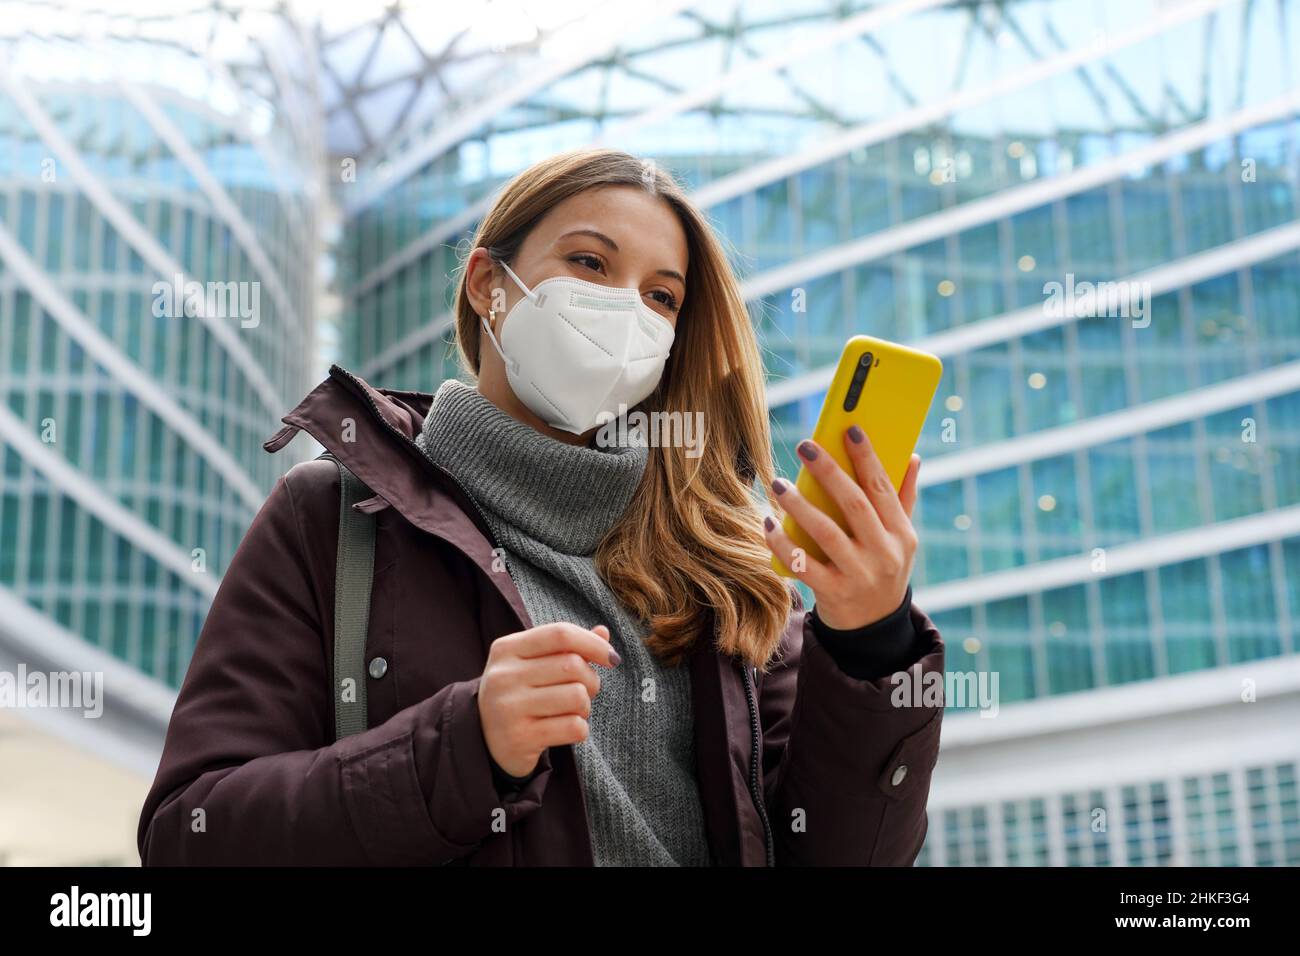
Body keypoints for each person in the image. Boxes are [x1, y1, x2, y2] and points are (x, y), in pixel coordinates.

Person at [136, 147, 945, 866]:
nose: (628, 311)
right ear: (489, 284)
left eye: (662, 298)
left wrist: (872, 639)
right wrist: (462, 747)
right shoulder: (334, 516)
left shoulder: (723, 565)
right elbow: (190, 831)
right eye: (592, 264)